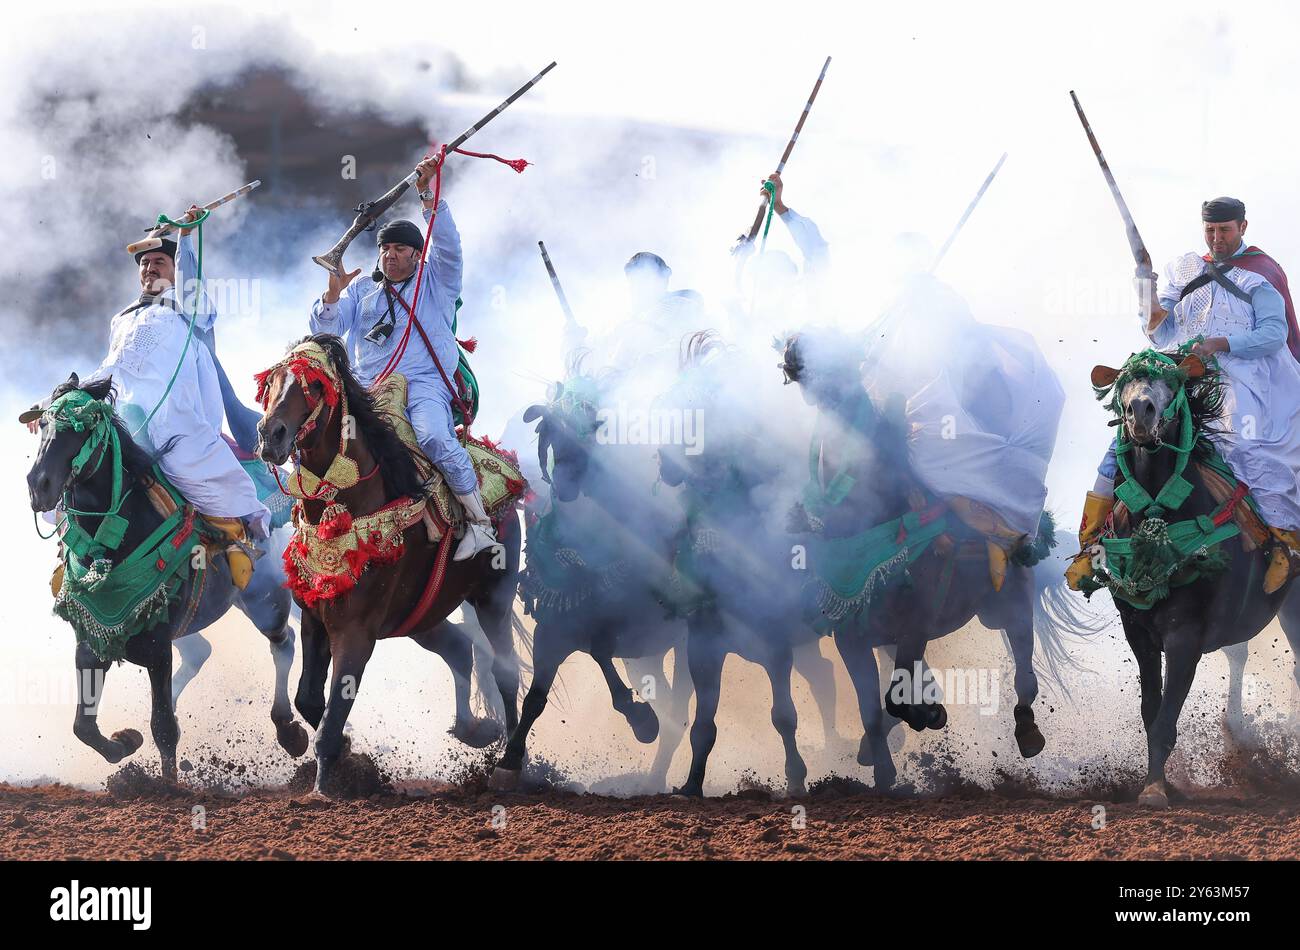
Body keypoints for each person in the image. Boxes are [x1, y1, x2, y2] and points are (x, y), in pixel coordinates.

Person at [1066, 196, 1300, 594]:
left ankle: (1282, 541)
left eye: (1224, 230)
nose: (1216, 237)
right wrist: (1146, 288)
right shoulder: (1187, 269)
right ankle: (1091, 545)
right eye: (1210, 230)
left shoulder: (1260, 275)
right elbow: (1158, 329)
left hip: (1245, 379)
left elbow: (1273, 335)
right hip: (1181, 373)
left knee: (1243, 443)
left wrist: (1220, 343)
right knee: (1125, 437)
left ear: (1242, 227)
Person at [41, 205, 270, 587]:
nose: (149, 268)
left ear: (176, 269)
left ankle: (238, 536)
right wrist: (56, 406)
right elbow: (108, 369)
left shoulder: (188, 307)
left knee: (197, 469)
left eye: (159, 262)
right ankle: (74, 550)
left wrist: (185, 237)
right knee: (73, 463)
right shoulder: (123, 317)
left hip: (174, 421)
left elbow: (194, 283)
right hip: (123, 415)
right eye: (144, 263)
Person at [310, 151, 495, 561]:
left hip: (423, 387)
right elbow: (324, 333)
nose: (390, 255)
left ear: (417, 254)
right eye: (385, 248)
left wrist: (427, 196)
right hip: (369, 391)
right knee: (317, 437)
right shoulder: (360, 292)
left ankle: (479, 524)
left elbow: (450, 246)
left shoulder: (438, 280)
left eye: (400, 249)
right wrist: (332, 294)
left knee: (431, 436)